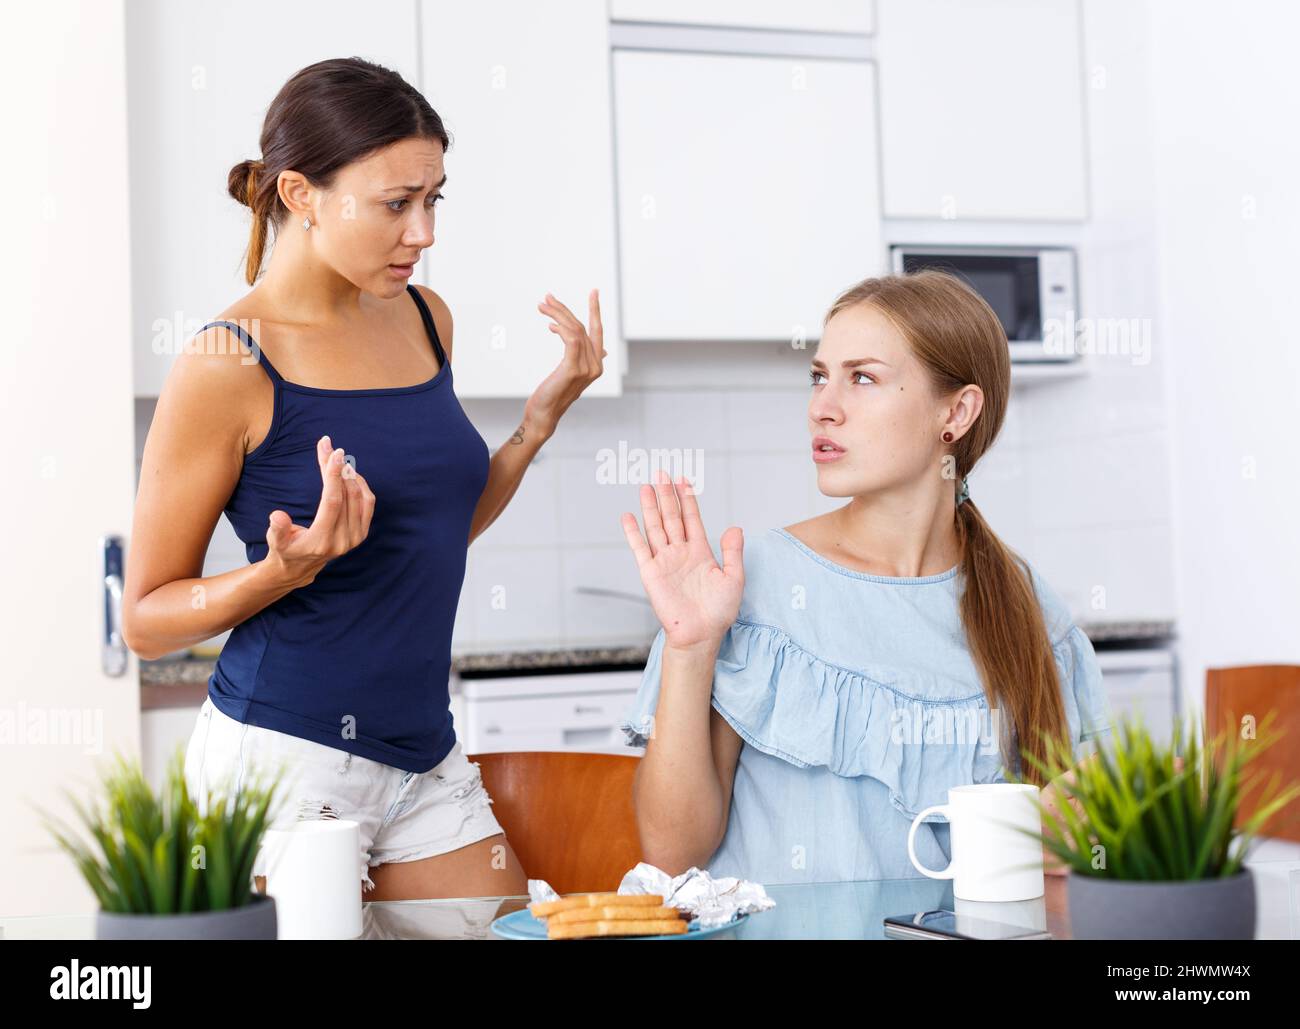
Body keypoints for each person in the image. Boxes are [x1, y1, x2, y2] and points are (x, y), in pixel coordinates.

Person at [122, 57, 606, 901]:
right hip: (280, 762)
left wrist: (537, 424)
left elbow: (434, 528)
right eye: (395, 204)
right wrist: (282, 572)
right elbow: (146, 620)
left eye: (433, 199)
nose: (423, 232)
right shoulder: (226, 361)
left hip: (424, 755)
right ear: (303, 194)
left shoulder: (424, 317)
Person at [618, 270, 1114, 885]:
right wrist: (690, 651)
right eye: (820, 377)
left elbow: (1076, 850)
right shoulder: (752, 587)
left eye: (863, 378)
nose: (822, 409)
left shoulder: (1028, 606)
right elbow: (671, 854)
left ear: (955, 412)